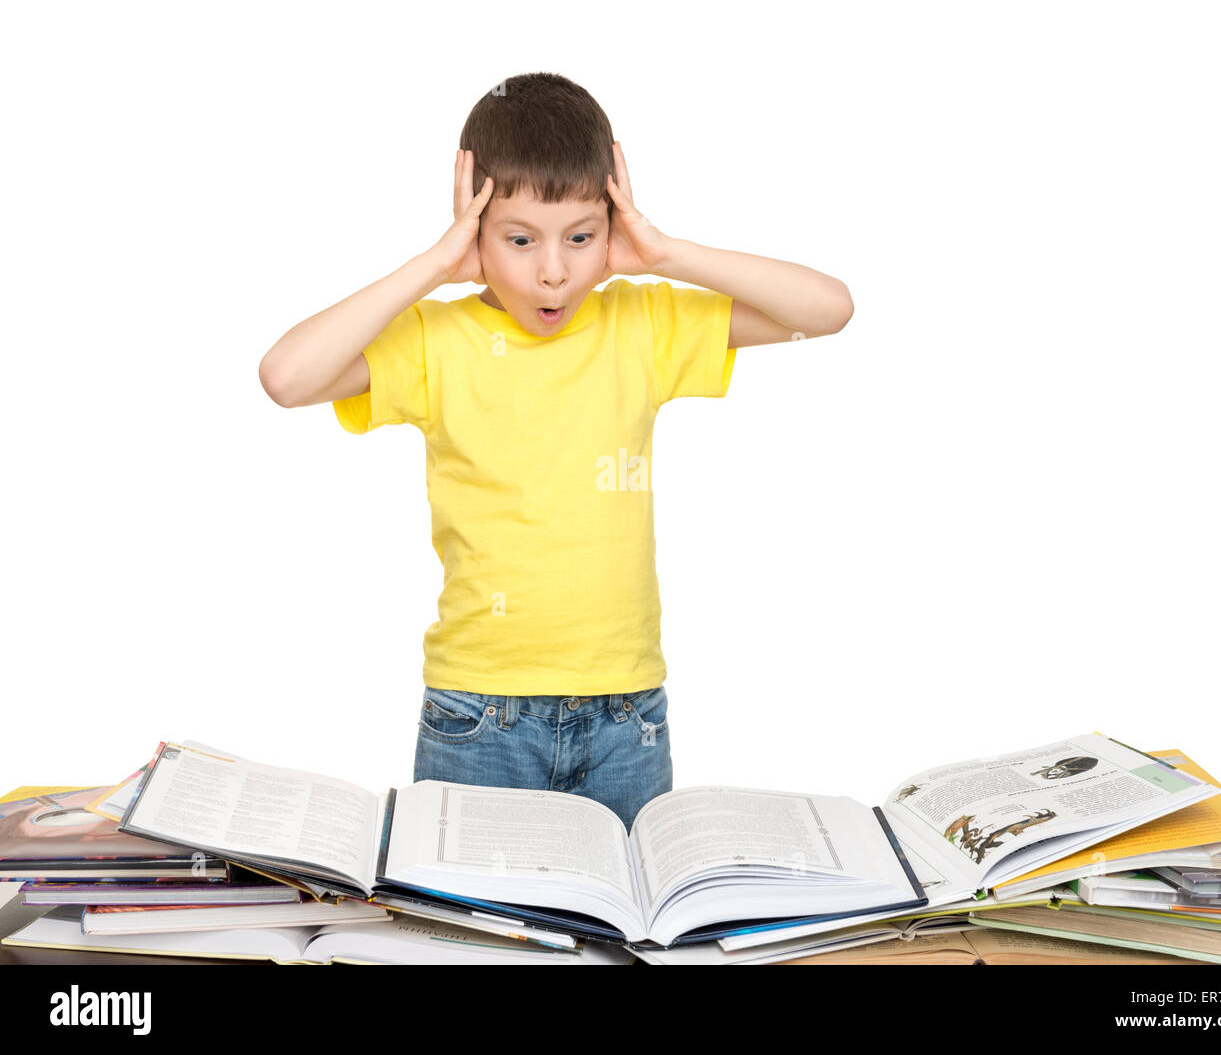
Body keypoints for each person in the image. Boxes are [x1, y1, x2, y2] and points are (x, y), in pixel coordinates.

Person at [259, 72, 853, 833]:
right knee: (479, 946)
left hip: (625, 717)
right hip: (480, 718)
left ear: (611, 226)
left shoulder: (642, 323)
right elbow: (286, 375)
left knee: (628, 942)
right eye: (518, 239)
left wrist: (664, 252)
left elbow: (828, 308)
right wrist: (436, 265)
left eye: (580, 236)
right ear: (475, 230)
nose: (553, 270)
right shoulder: (438, 342)